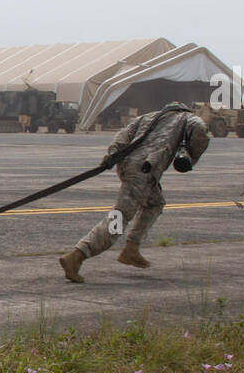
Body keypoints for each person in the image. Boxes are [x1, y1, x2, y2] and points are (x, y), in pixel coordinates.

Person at [59, 102, 210, 282]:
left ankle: (132, 247)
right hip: (145, 168)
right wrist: (191, 157)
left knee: (155, 203)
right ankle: (77, 256)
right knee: (120, 216)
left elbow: (124, 134)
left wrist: (112, 155)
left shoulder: (148, 117)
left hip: (129, 165)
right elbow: (200, 131)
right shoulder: (189, 119)